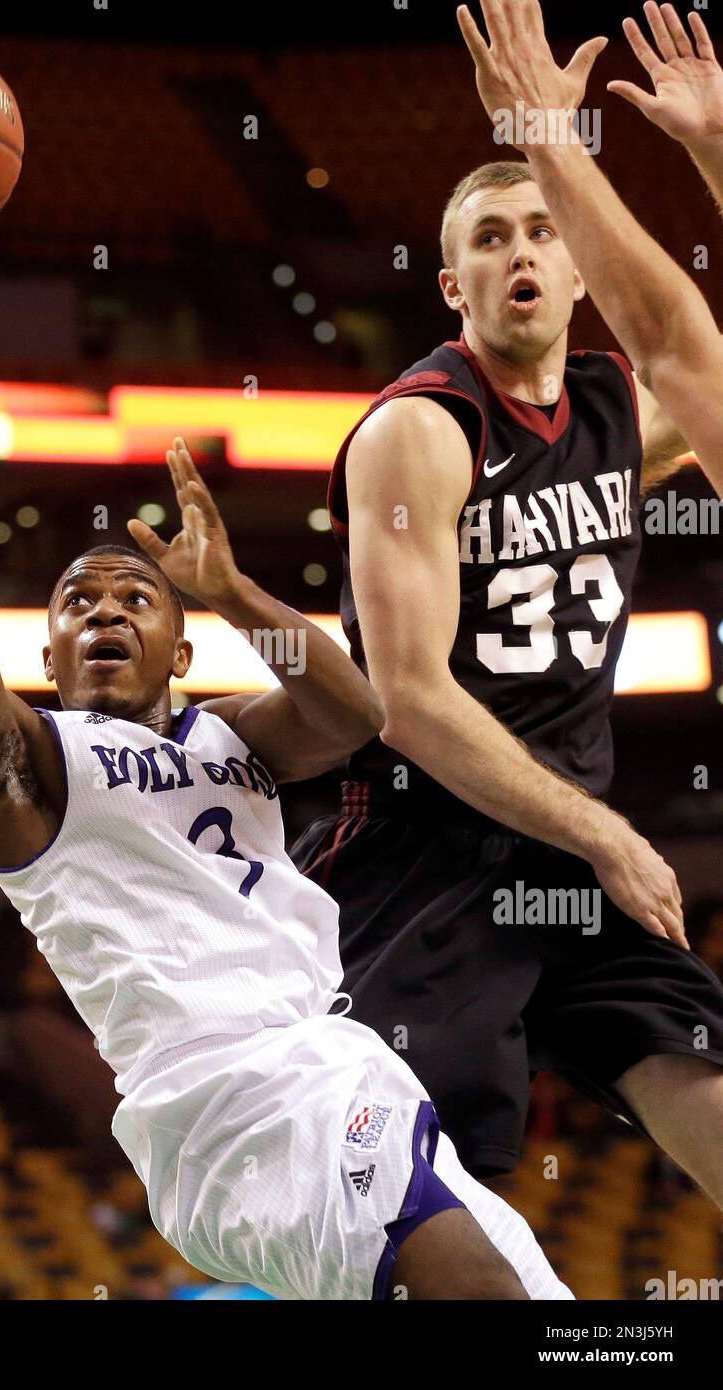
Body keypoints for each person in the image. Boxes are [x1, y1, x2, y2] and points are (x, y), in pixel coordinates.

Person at [0, 234, 571, 1300]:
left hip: (330, 1057)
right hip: (232, 1100)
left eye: (133, 599)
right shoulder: (25, 763)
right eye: (78, 603)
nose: (103, 611)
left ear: (178, 654)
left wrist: (230, 592)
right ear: (43, 656)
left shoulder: (232, 734)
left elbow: (354, 709)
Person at [291, 0, 723, 1207]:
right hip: (425, 852)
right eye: (488, 237)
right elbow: (412, 703)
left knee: (698, 1074)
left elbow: (698, 362)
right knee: (431, 1200)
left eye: (540, 228)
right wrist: (603, 835)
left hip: (575, 836)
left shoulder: (611, 414)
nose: (519, 251)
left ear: (579, 266)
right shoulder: (418, 434)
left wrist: (710, 154)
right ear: (451, 283)